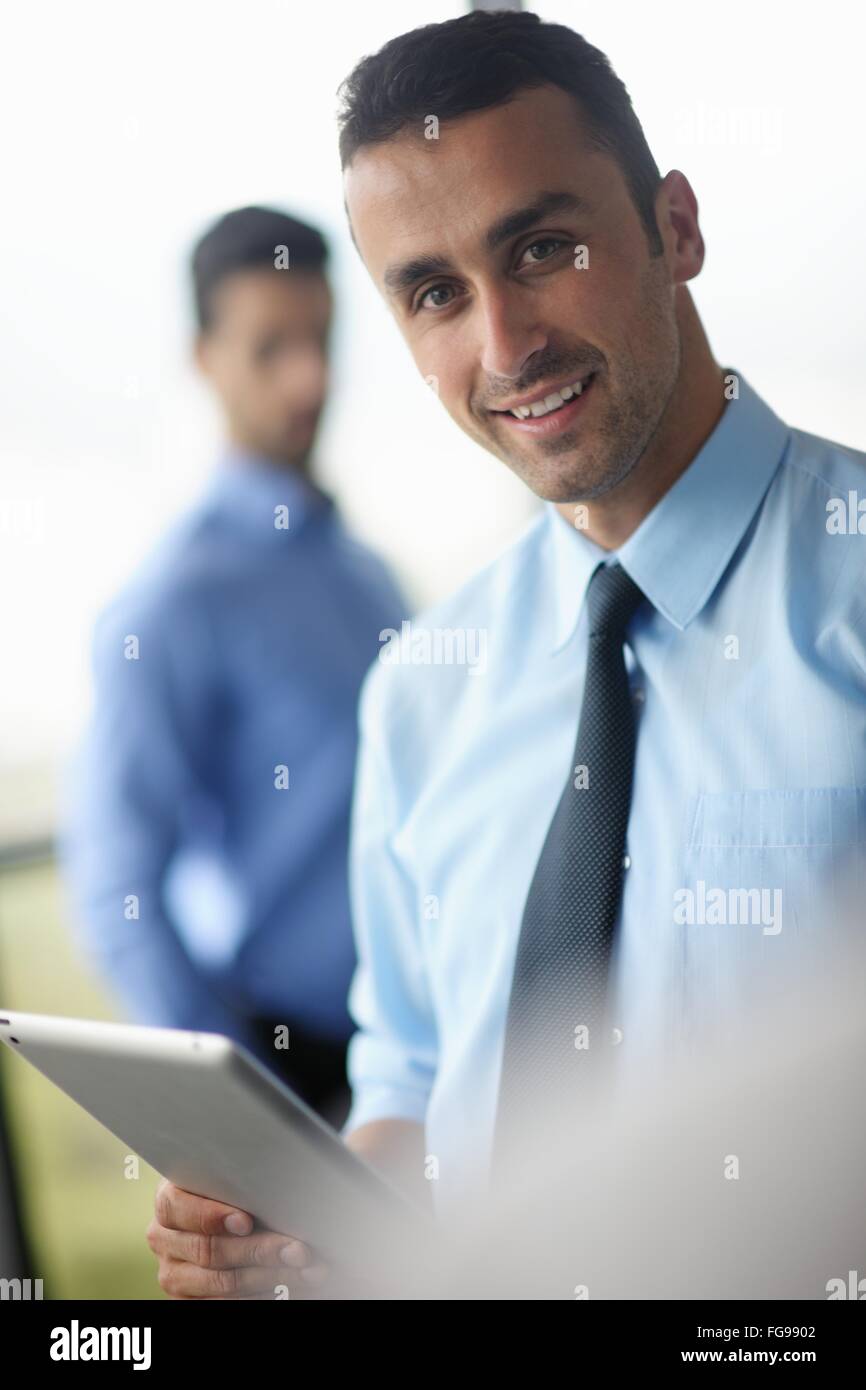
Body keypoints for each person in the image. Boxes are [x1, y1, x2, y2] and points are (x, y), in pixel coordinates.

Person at [146, 11, 866, 1297]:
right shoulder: (420, 686)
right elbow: (414, 1080)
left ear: (675, 228)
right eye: (431, 294)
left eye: (542, 247)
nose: (503, 345)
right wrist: (306, 1245)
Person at [60, 206, 405, 1131]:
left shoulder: (365, 572)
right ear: (204, 358)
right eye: (271, 348)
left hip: (426, 1065)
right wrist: (250, 1125)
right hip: (305, 1079)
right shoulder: (172, 605)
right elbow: (116, 889)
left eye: (323, 339)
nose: (311, 378)